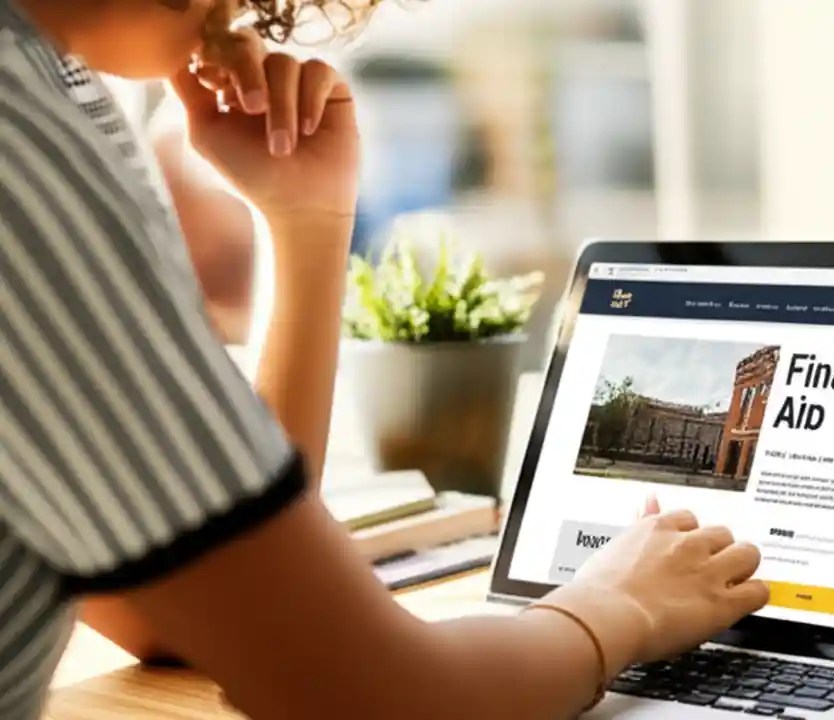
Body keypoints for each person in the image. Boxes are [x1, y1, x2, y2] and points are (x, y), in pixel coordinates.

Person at [0, 1, 770, 718]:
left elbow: (216, 614)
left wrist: (305, 221)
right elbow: (372, 697)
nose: (246, 14)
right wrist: (618, 608)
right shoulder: (23, 142)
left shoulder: (45, 84)